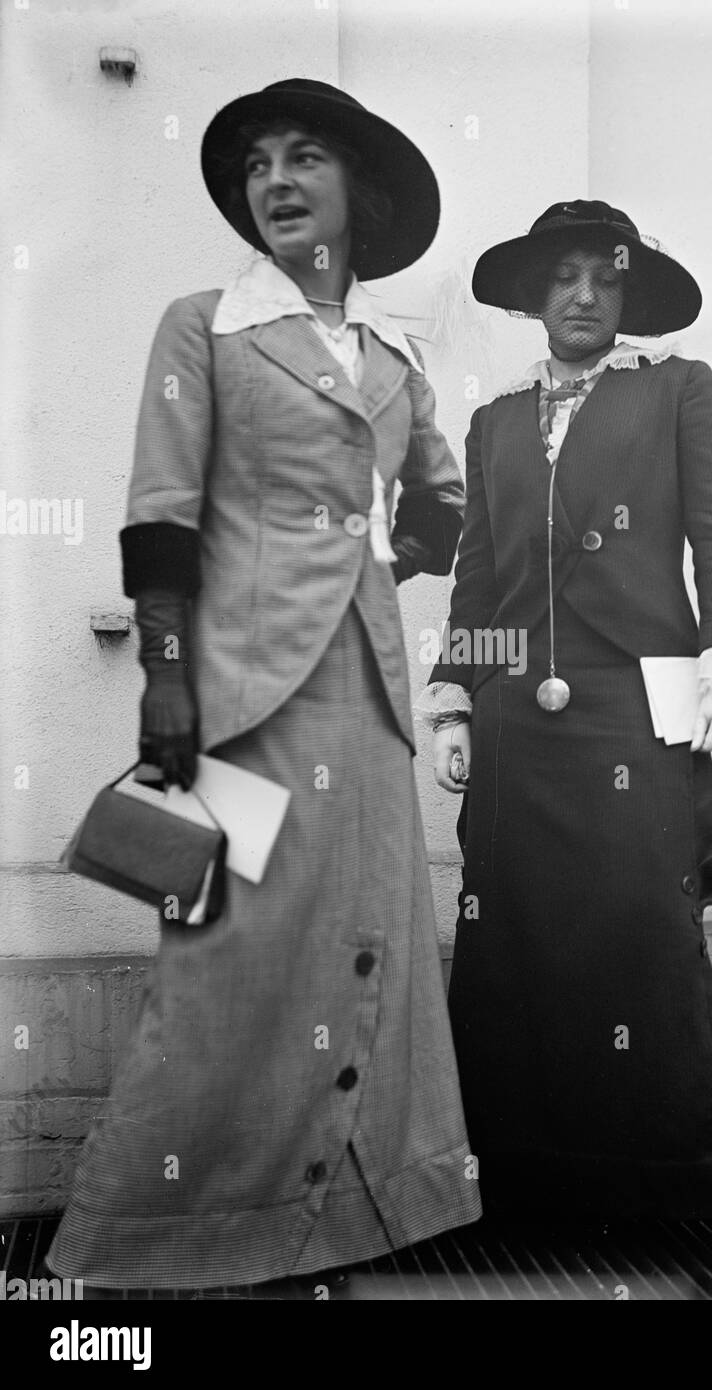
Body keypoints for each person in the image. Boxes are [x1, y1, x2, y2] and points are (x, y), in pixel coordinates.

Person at [46, 78, 480, 1290]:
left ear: (362, 197)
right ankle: (162, 1237)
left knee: (369, 949)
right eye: (257, 167)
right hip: (239, 696)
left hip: (370, 699)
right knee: (228, 966)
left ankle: (344, 1218)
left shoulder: (396, 356)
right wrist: (166, 681)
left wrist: (385, 549)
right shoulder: (203, 326)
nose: (276, 183)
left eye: (304, 161)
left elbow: (447, 506)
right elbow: (160, 516)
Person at [420, 200, 712, 1278]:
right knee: (511, 945)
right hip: (516, 728)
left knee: (650, 937)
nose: (582, 296)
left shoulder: (676, 389)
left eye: (604, 279)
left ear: (627, 297)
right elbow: (477, 576)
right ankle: (518, 1179)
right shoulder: (491, 424)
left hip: (636, 706)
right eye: (563, 278)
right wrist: (454, 695)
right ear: (535, 297)